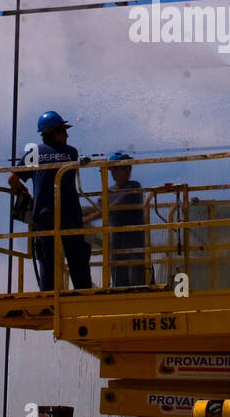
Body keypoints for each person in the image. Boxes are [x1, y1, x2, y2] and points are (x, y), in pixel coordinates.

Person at [8, 110, 92, 291]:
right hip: (69, 213)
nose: (67, 136)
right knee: (77, 256)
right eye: (64, 131)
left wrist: (24, 194)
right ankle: (84, 293)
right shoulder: (71, 153)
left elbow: (12, 180)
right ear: (56, 132)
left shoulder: (34, 153)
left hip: (44, 214)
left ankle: (48, 297)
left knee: (47, 259)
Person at [97, 151, 150, 287]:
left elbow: (113, 207)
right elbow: (96, 207)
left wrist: (85, 220)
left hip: (133, 242)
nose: (127, 170)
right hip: (117, 242)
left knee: (136, 281)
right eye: (121, 168)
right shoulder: (111, 190)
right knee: (119, 282)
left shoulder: (133, 187)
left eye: (127, 167)